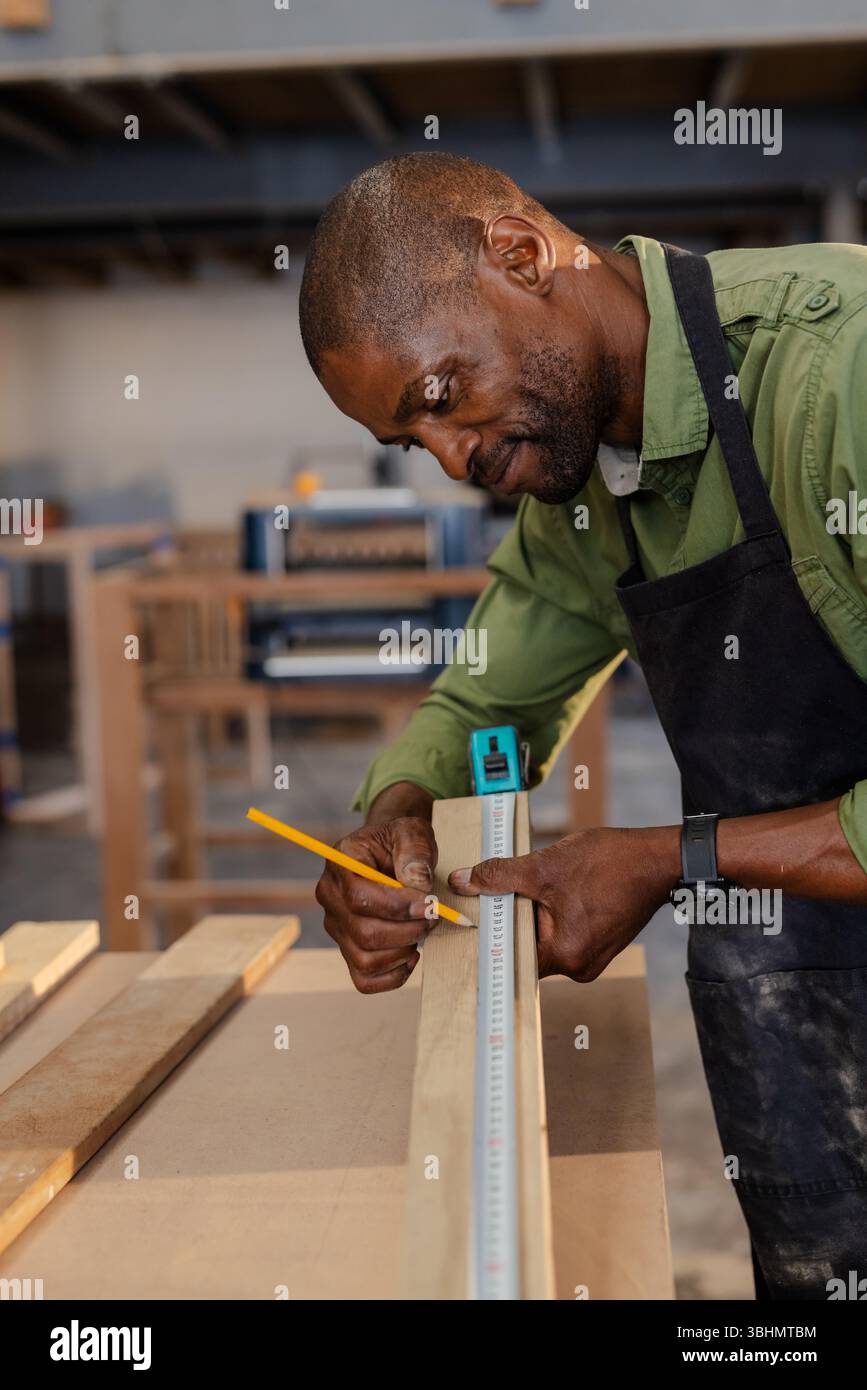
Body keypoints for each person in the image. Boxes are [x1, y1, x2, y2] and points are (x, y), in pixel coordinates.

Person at [299, 152, 867, 1300]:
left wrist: (668, 859)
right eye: (416, 446)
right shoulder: (576, 482)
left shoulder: (838, 367)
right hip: (800, 997)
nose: (456, 461)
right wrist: (393, 817)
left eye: (441, 395)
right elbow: (486, 697)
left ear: (520, 255)